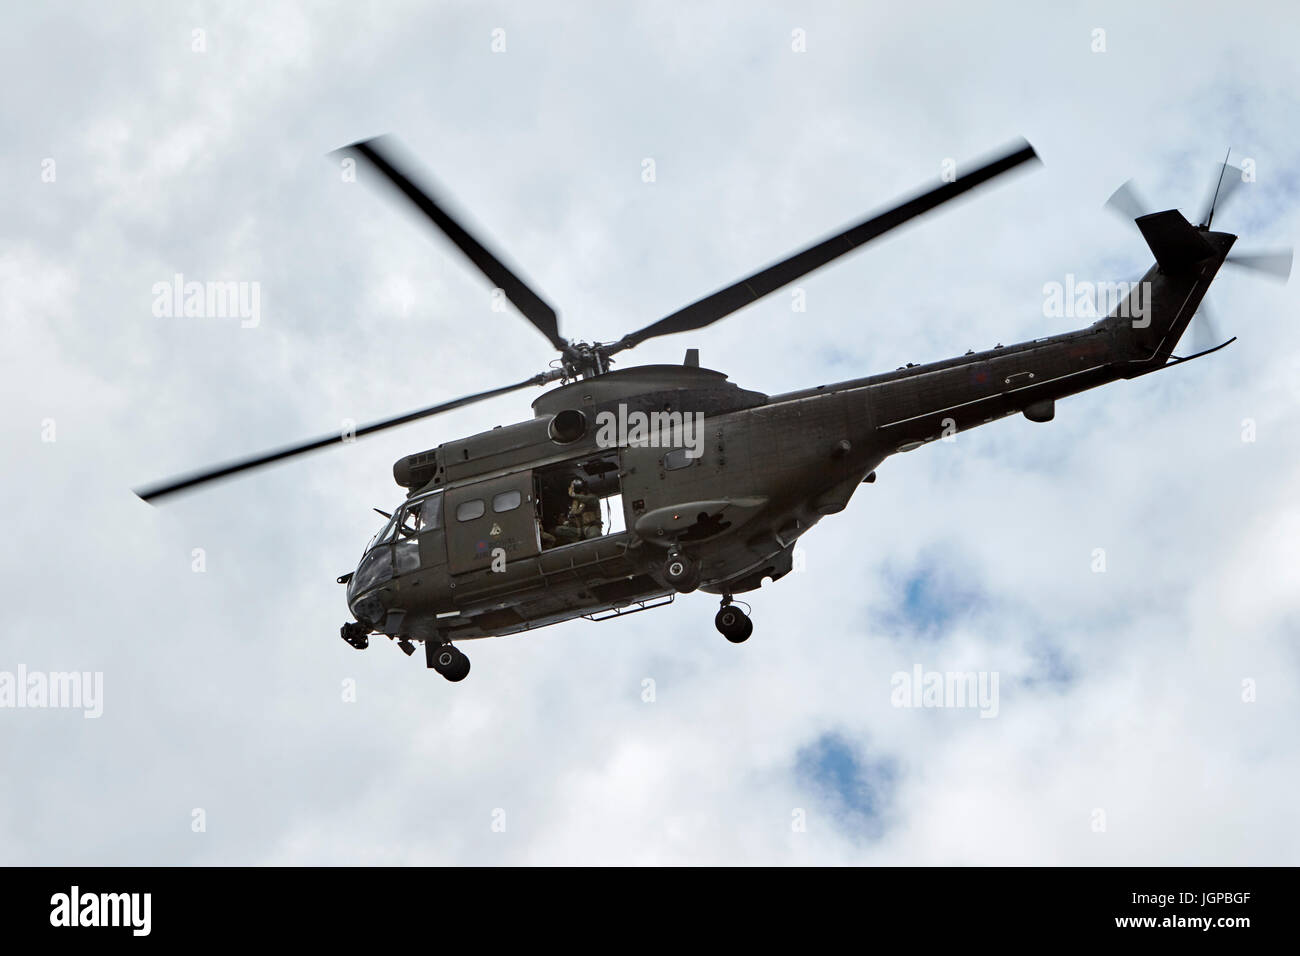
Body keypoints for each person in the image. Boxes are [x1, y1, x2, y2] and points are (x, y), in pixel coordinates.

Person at [552, 478, 602, 544]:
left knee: (594, 535)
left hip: (591, 527)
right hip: (578, 530)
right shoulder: (574, 503)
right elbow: (573, 516)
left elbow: (587, 499)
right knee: (558, 530)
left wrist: (573, 495)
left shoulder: (592, 498)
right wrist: (567, 522)